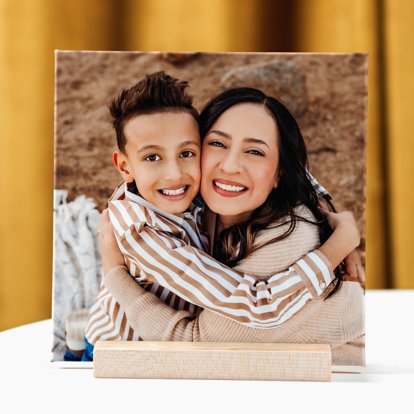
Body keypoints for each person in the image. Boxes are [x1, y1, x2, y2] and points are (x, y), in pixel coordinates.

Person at [97, 86, 365, 366]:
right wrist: (335, 223)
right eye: (218, 144)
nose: (230, 165)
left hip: (337, 372)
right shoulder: (175, 198)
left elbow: (204, 346)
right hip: (114, 340)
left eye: (254, 151)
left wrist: (337, 232)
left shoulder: (284, 244)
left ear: (279, 174)